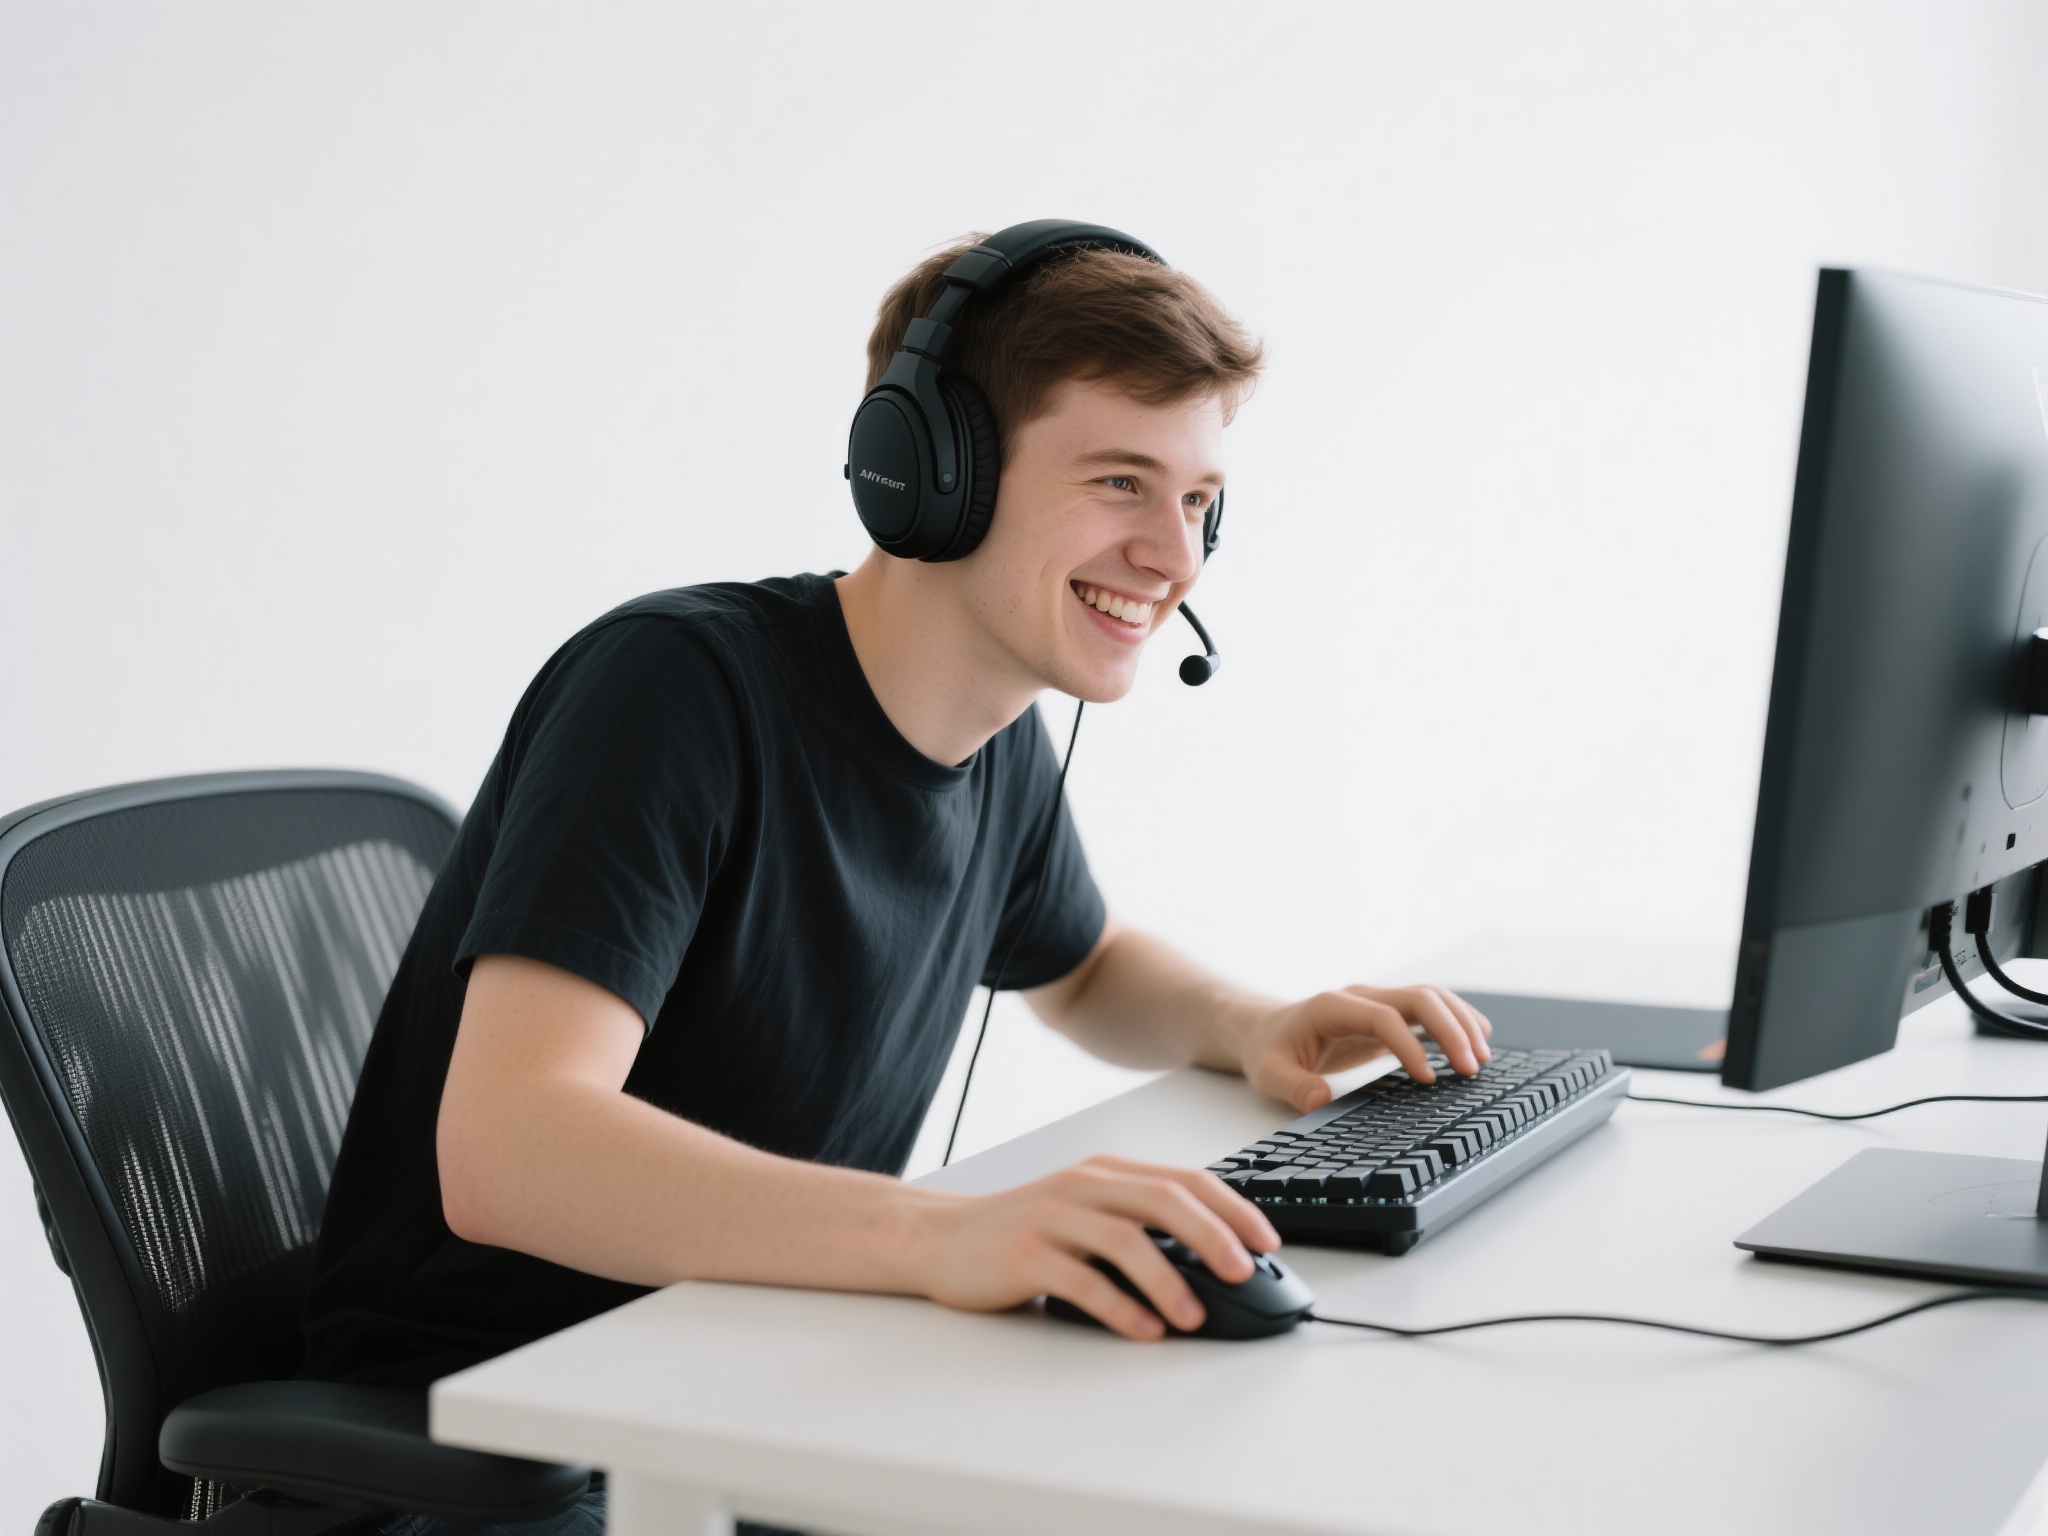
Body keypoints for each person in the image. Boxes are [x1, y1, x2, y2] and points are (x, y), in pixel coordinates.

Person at [301, 222, 1491, 1535]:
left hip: (746, 1402)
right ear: (933, 471)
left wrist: (1249, 1023)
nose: (1179, 558)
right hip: (492, 1455)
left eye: (1200, 501)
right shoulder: (677, 693)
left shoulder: (994, 737)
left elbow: (1081, 965)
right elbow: (508, 1150)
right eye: (1120, 484)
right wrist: (939, 1238)